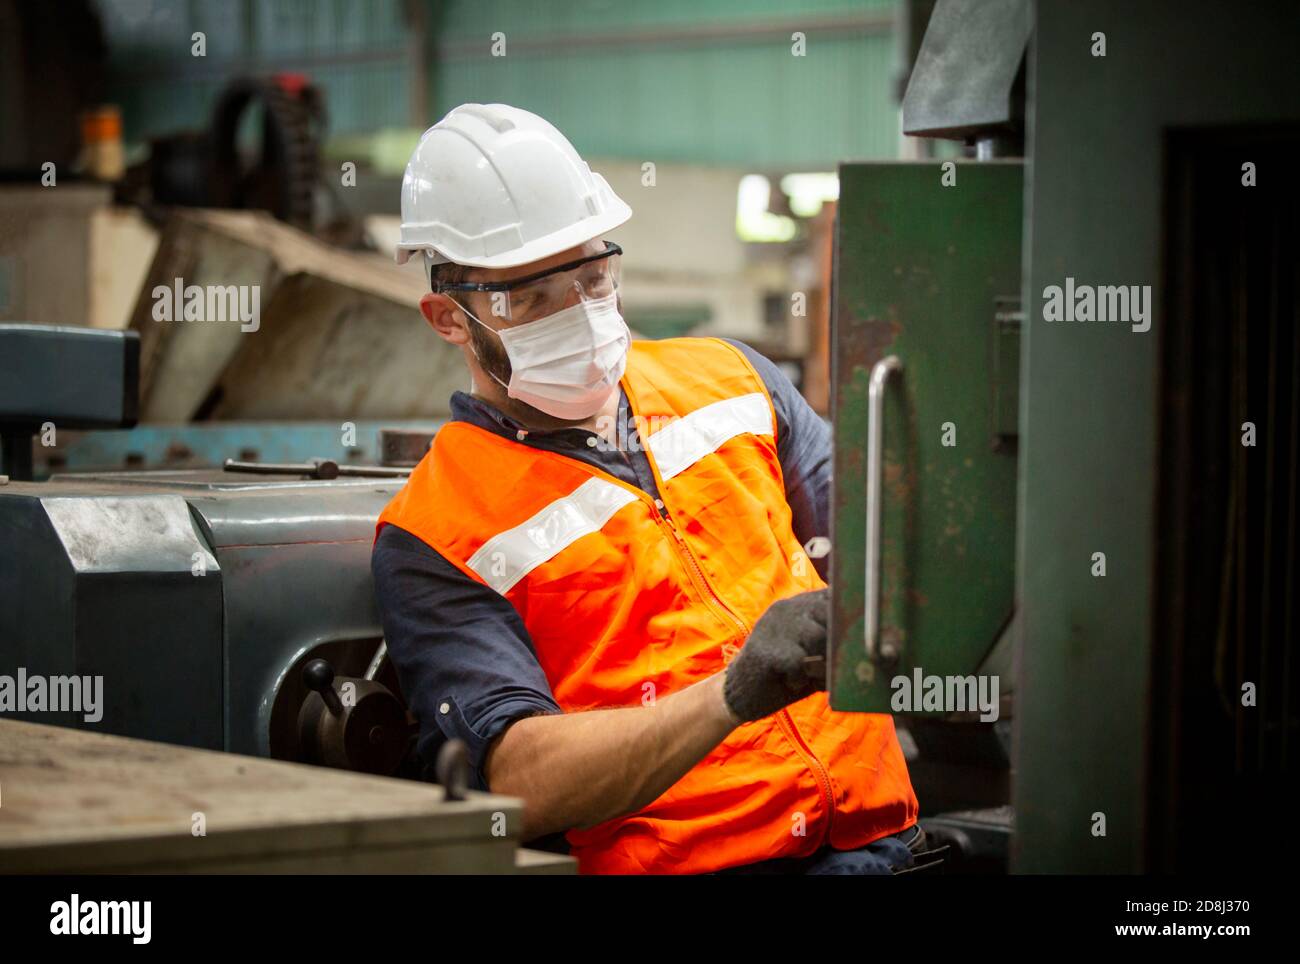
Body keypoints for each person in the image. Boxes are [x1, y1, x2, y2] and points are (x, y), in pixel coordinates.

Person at [372, 103, 920, 874]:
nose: (584, 314)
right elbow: (521, 778)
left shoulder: (732, 381)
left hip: (883, 840)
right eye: (532, 299)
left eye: (595, 277)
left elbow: (889, 537)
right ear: (448, 318)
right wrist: (734, 693)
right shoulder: (436, 532)